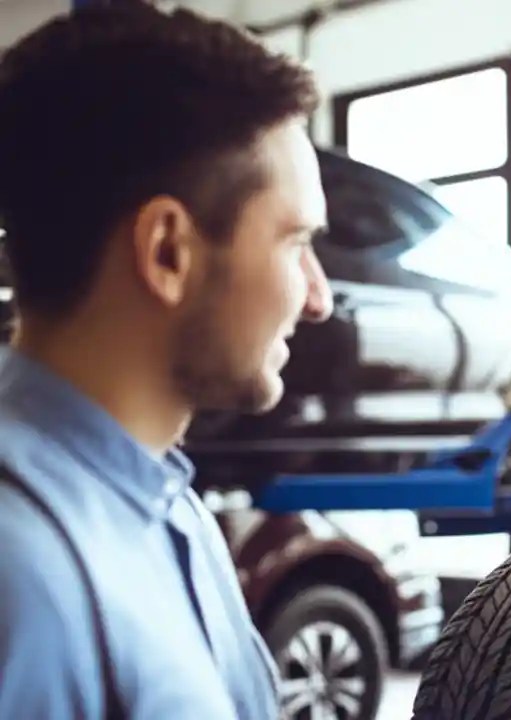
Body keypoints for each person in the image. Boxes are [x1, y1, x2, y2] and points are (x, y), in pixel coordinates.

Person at [0, 3, 332, 718]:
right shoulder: (21, 577)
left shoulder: (170, 508)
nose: (318, 298)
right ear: (167, 253)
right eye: (293, 242)